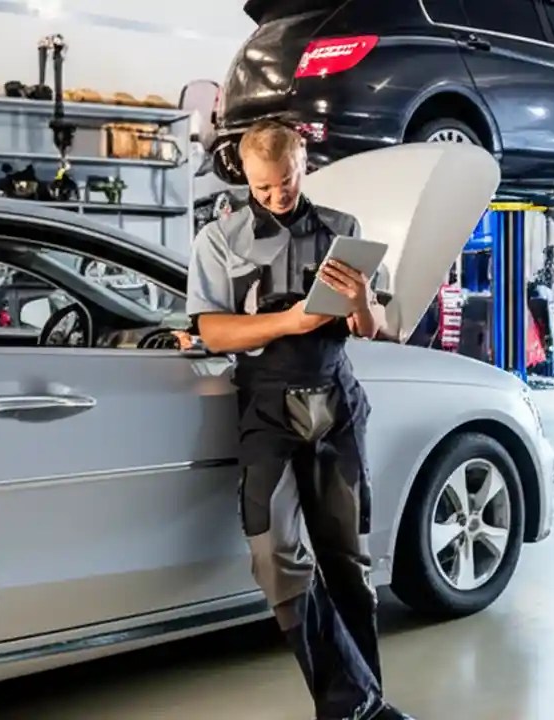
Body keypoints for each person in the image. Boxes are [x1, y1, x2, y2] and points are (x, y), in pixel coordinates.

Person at [186, 121, 413, 720]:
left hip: (337, 401)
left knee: (347, 563)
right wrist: (288, 323)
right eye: (262, 188)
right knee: (276, 559)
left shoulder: (345, 231)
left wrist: (363, 302)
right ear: (245, 178)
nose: (275, 195)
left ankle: (360, 707)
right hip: (268, 407)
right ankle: (360, 705)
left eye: (284, 182)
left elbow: (379, 329)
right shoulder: (219, 239)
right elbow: (211, 329)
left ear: (302, 162)